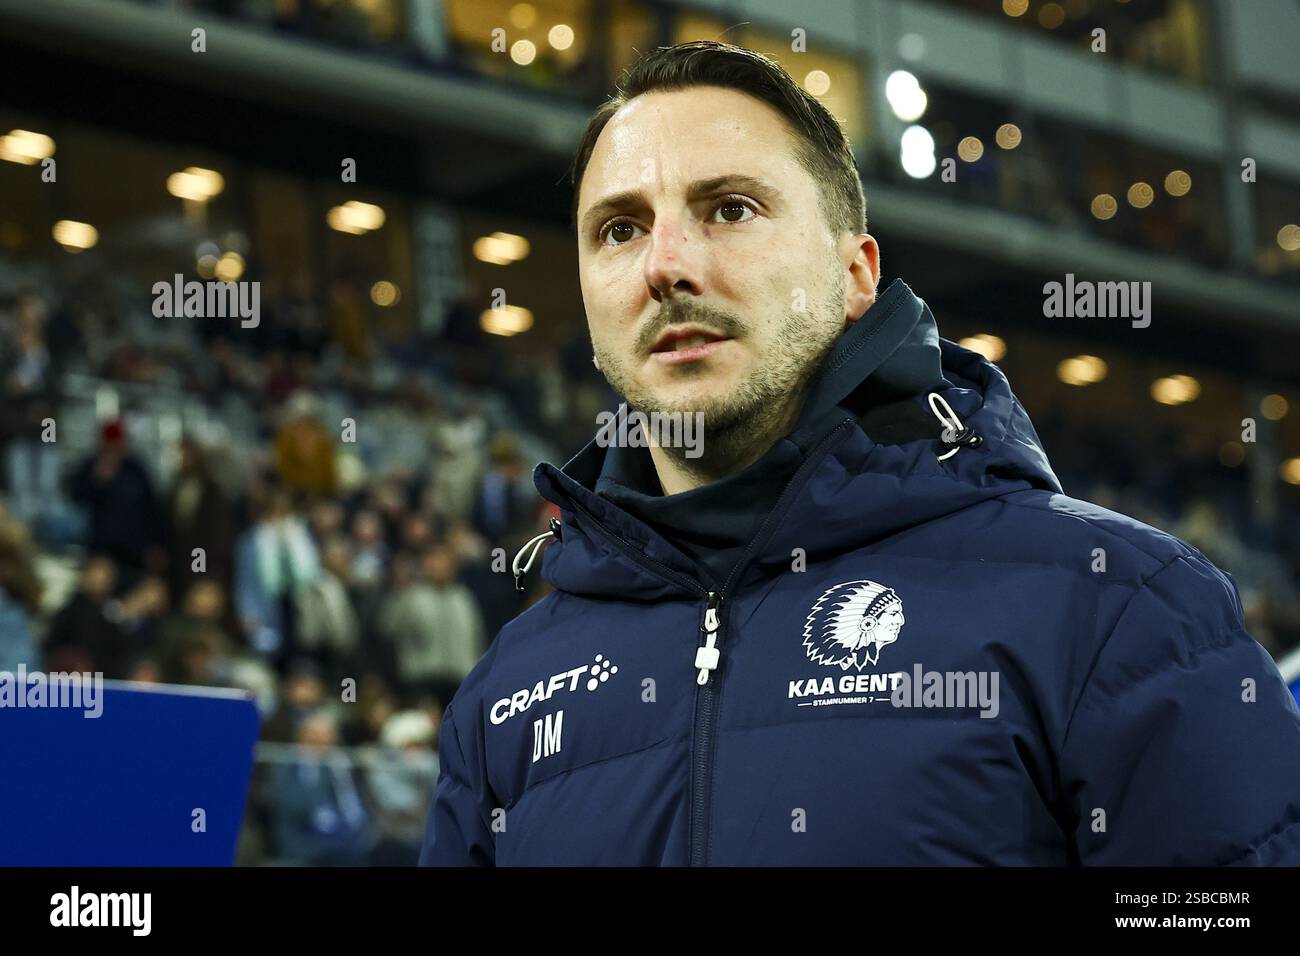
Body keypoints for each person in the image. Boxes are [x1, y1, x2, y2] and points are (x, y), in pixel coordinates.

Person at [420, 42, 1300, 866]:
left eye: (731, 209)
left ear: (856, 276)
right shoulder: (506, 693)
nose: (667, 264)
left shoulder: (1120, 608)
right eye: (619, 229)